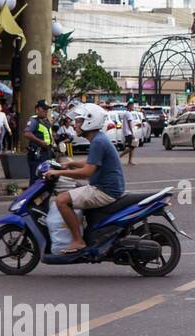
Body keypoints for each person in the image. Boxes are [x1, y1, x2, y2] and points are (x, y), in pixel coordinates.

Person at [44, 104, 125, 255]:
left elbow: (87, 172)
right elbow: (91, 162)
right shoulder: (98, 139)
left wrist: (59, 172)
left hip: (104, 190)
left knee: (61, 200)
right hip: (106, 187)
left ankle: (78, 240)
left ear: (90, 121)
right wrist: (70, 164)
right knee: (73, 190)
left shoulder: (98, 141)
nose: (76, 125)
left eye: (79, 121)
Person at [24, 100, 55, 183]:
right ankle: (32, 196)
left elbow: (48, 135)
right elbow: (27, 134)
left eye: (47, 109)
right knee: (36, 179)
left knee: (45, 178)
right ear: (37, 109)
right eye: (44, 109)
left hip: (46, 153)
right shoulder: (34, 120)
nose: (46, 111)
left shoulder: (46, 120)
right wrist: (41, 142)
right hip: (37, 155)